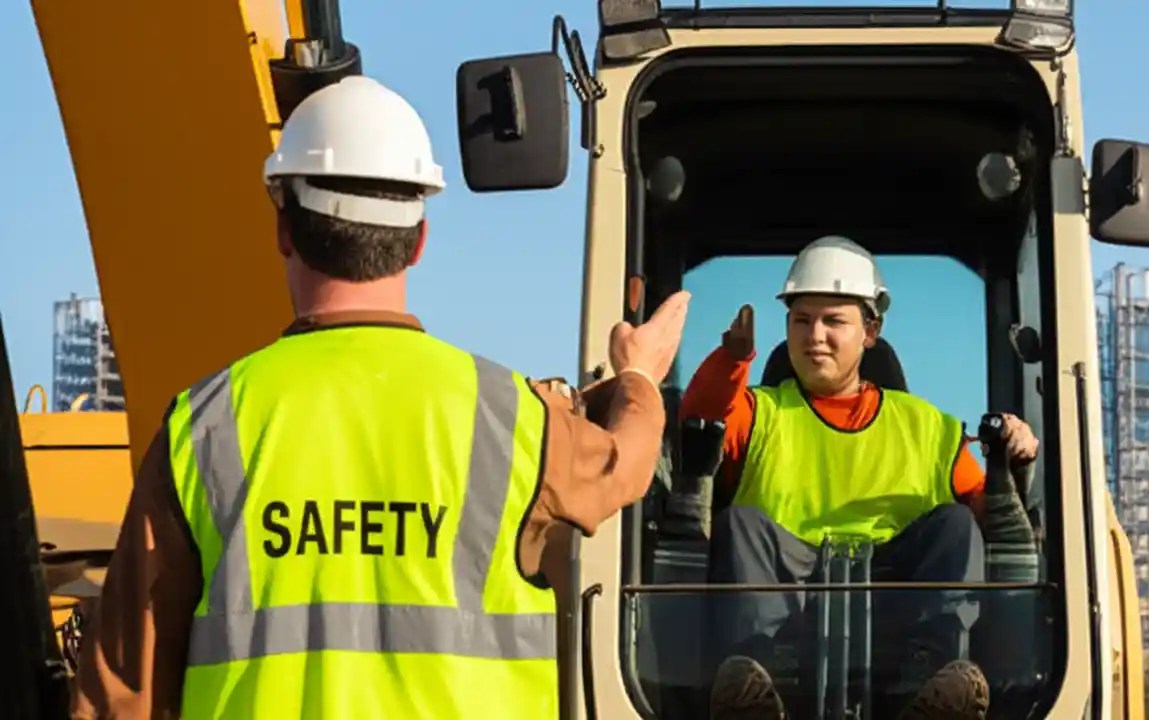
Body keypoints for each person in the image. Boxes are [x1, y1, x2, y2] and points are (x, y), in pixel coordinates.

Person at [68, 75, 690, 720]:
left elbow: (121, 692)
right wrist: (638, 375)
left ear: (285, 230)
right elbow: (627, 461)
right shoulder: (512, 416)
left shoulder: (203, 426)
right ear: (418, 242)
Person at [680, 235, 1039, 720]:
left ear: (871, 331)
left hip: (896, 612)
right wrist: (731, 359)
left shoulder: (929, 427)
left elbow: (995, 525)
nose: (815, 336)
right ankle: (755, 693)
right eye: (801, 320)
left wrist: (1015, 461)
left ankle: (933, 690)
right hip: (786, 615)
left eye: (834, 322)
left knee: (955, 525)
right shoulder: (758, 410)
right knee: (742, 523)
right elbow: (697, 424)